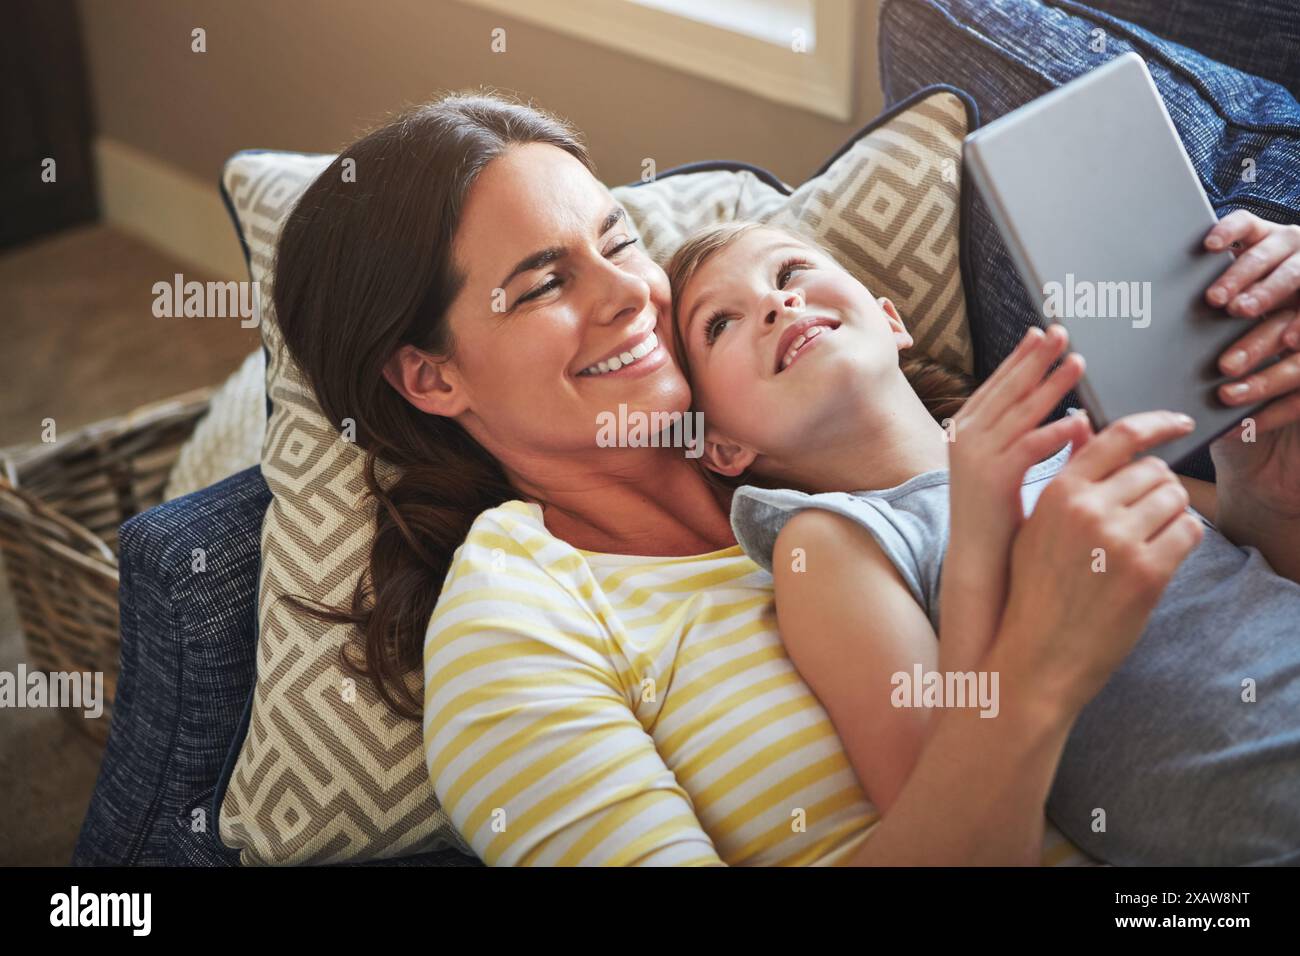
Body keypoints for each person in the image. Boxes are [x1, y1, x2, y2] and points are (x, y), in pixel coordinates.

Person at [270, 92, 1300, 865]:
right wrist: (1036, 675)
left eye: (619, 239)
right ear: (431, 375)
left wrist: (1264, 488)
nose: (629, 293)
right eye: (544, 282)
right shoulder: (515, 628)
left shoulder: (866, 447)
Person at [666, 219, 1300, 864]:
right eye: (720, 323)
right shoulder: (834, 540)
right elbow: (950, 809)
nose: (777, 304)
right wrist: (984, 555)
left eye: (789, 272)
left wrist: (1266, 497)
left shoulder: (1070, 443)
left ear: (890, 320)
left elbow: (1260, 576)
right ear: (723, 447)